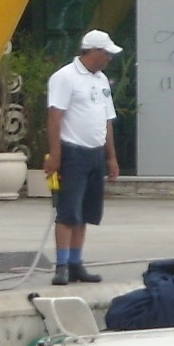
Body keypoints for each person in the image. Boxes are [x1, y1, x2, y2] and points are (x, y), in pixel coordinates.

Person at [45, 29, 122, 285]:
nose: (109, 59)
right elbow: (55, 117)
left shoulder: (101, 80)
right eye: (107, 54)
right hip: (73, 151)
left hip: (95, 153)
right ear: (95, 52)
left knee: (86, 212)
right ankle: (62, 264)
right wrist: (56, 155)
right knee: (68, 211)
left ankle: (77, 262)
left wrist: (111, 157)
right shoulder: (65, 77)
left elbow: (107, 119)